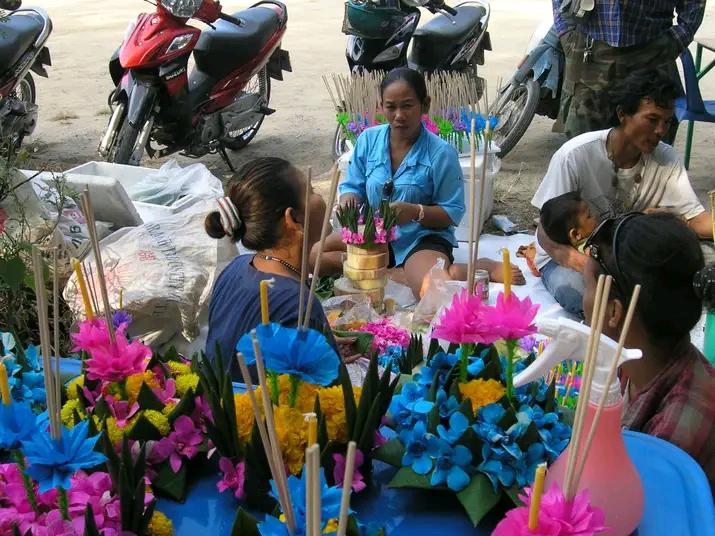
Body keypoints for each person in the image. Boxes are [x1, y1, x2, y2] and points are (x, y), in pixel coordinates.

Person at [318, 67, 524, 299]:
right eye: (390, 106)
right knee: (315, 254)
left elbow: (452, 212)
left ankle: (473, 267)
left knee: (428, 291)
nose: (399, 115)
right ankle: (399, 271)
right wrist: (349, 203)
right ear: (380, 107)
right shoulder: (368, 140)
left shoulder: (441, 153)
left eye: (407, 105)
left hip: (421, 237)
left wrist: (415, 212)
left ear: (424, 105)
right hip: (375, 233)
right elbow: (352, 187)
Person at [532, 70, 713, 315]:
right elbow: (545, 230)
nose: (661, 130)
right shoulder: (575, 155)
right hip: (569, 257)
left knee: (703, 270)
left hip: (625, 259)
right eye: (652, 119)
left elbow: (694, 219)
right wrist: (582, 263)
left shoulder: (666, 158)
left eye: (667, 122)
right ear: (623, 115)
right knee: (580, 293)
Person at [583, 212, 715, 491]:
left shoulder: (670, 443)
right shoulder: (634, 360)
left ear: (613, 312)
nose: (583, 298)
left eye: (587, 285)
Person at [205, 157, 347, 381]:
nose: (320, 197)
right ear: (292, 220)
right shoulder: (299, 306)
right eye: (310, 191)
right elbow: (331, 403)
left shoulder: (236, 267)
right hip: (252, 414)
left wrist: (316, 347)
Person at [553, 0, 705, 138]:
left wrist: (674, 41)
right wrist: (566, 34)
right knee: (584, 144)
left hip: (652, 51)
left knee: (649, 146)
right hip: (590, 50)